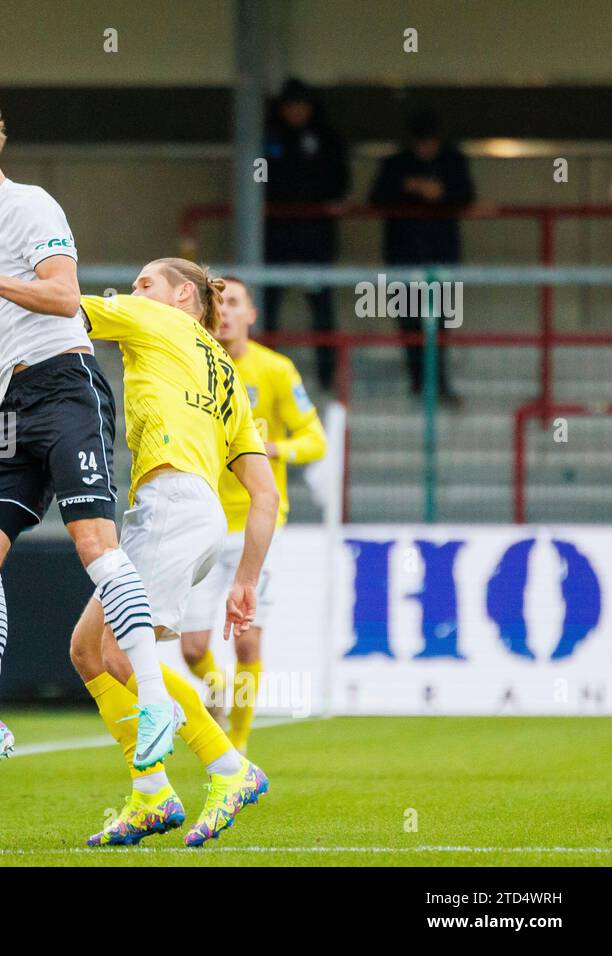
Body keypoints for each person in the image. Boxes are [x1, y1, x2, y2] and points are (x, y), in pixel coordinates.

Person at [0, 259, 279, 848]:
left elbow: (60, 306)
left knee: (121, 656)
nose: (134, 293)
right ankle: (151, 793)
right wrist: (245, 579)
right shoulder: (227, 373)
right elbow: (265, 494)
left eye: (145, 284)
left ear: (182, 295)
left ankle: (229, 769)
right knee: (87, 651)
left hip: (171, 504)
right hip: (194, 512)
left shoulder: (156, 319)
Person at [0, 91, 172, 788]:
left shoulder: (29, 206)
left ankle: (155, 700)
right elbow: (13, 327)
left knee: (93, 544)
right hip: (16, 401)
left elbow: (63, 297)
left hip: (65, 389)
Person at [175, 276, 327, 755]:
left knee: (246, 643)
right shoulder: (192, 368)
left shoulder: (276, 370)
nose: (224, 311)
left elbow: (316, 439)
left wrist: (271, 448)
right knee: (193, 649)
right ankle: (218, 691)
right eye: (218, 302)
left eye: (234, 302)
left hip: (258, 527)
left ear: (251, 314)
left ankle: (237, 747)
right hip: (203, 523)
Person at [369, 110, 474, 403]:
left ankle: (439, 384)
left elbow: (466, 196)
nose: (426, 148)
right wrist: (408, 187)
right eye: (421, 142)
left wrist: (441, 193)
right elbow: (375, 199)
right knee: (410, 322)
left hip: (441, 258)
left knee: (440, 323)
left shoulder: (453, 162)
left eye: (431, 142)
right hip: (404, 257)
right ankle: (419, 383)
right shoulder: (395, 165)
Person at [262, 78, 350, 391]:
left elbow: (340, 182)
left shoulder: (326, 138)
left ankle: (327, 375)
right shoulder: (268, 137)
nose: (296, 112)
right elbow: (256, 180)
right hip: (276, 237)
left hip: (315, 237)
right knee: (266, 304)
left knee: (322, 305)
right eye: (290, 106)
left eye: (301, 106)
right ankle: (263, 373)